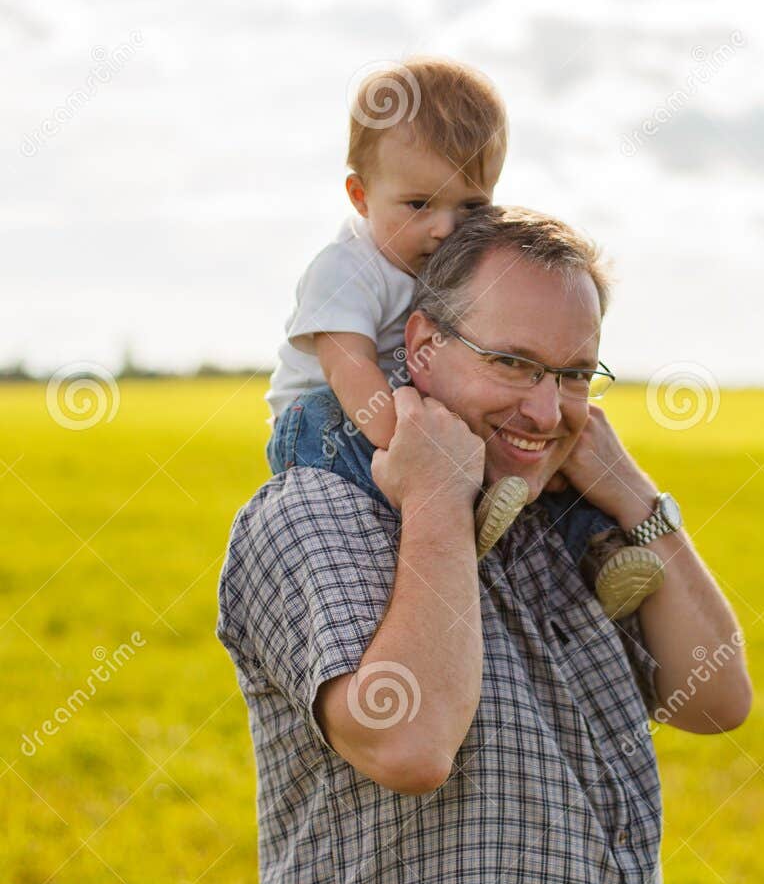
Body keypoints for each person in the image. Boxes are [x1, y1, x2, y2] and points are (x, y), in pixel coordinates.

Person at [218, 206, 753, 884]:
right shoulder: (313, 517)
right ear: (418, 347)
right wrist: (430, 497)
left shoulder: (567, 531)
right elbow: (407, 742)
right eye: (512, 362)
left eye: (572, 374)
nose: (545, 408)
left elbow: (715, 697)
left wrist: (629, 494)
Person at [264, 55, 663, 618]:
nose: (445, 227)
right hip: (330, 419)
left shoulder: (454, 264)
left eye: (471, 205)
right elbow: (349, 368)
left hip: (417, 410)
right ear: (360, 196)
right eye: (418, 204)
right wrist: (419, 455)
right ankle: (455, 518)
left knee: (536, 443)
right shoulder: (345, 269)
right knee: (341, 430)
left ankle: (599, 553)